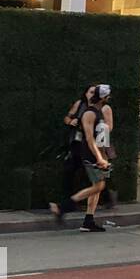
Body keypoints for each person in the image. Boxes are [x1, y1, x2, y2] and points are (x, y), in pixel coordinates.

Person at [50, 84, 112, 232]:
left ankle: (88, 220)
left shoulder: (98, 111)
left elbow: (102, 134)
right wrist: (99, 157)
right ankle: (63, 207)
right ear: (102, 97)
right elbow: (89, 138)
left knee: (98, 185)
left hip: (96, 151)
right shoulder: (90, 113)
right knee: (99, 186)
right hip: (90, 152)